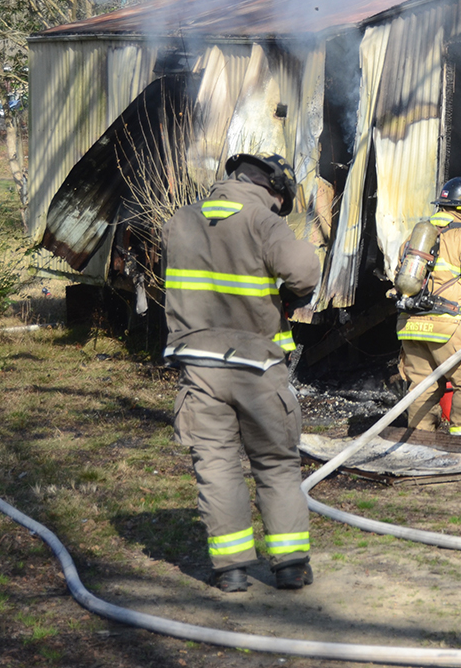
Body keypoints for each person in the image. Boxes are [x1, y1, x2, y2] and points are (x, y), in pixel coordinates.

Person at [162, 152, 320, 593]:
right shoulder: (263, 221)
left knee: (216, 466)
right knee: (275, 463)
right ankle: (290, 565)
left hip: (198, 367)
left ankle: (230, 570)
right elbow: (304, 273)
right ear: (275, 191)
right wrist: (289, 294)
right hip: (257, 366)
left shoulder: (181, 220)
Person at [395, 177, 461, 435]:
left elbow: (399, 278)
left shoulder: (415, 237)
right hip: (448, 328)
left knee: (422, 387)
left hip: (410, 326)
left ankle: (420, 444)